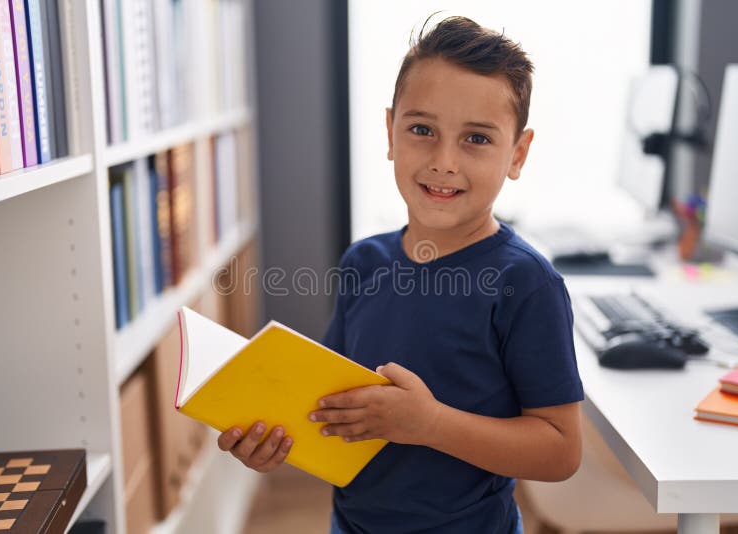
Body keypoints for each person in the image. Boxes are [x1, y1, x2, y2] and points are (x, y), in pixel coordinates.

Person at [217, 15, 584, 534]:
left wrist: (430, 424)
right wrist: (271, 439)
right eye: (422, 130)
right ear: (390, 132)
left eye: (476, 138)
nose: (444, 161)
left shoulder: (526, 285)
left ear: (517, 154)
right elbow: (329, 407)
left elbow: (562, 450)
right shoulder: (363, 262)